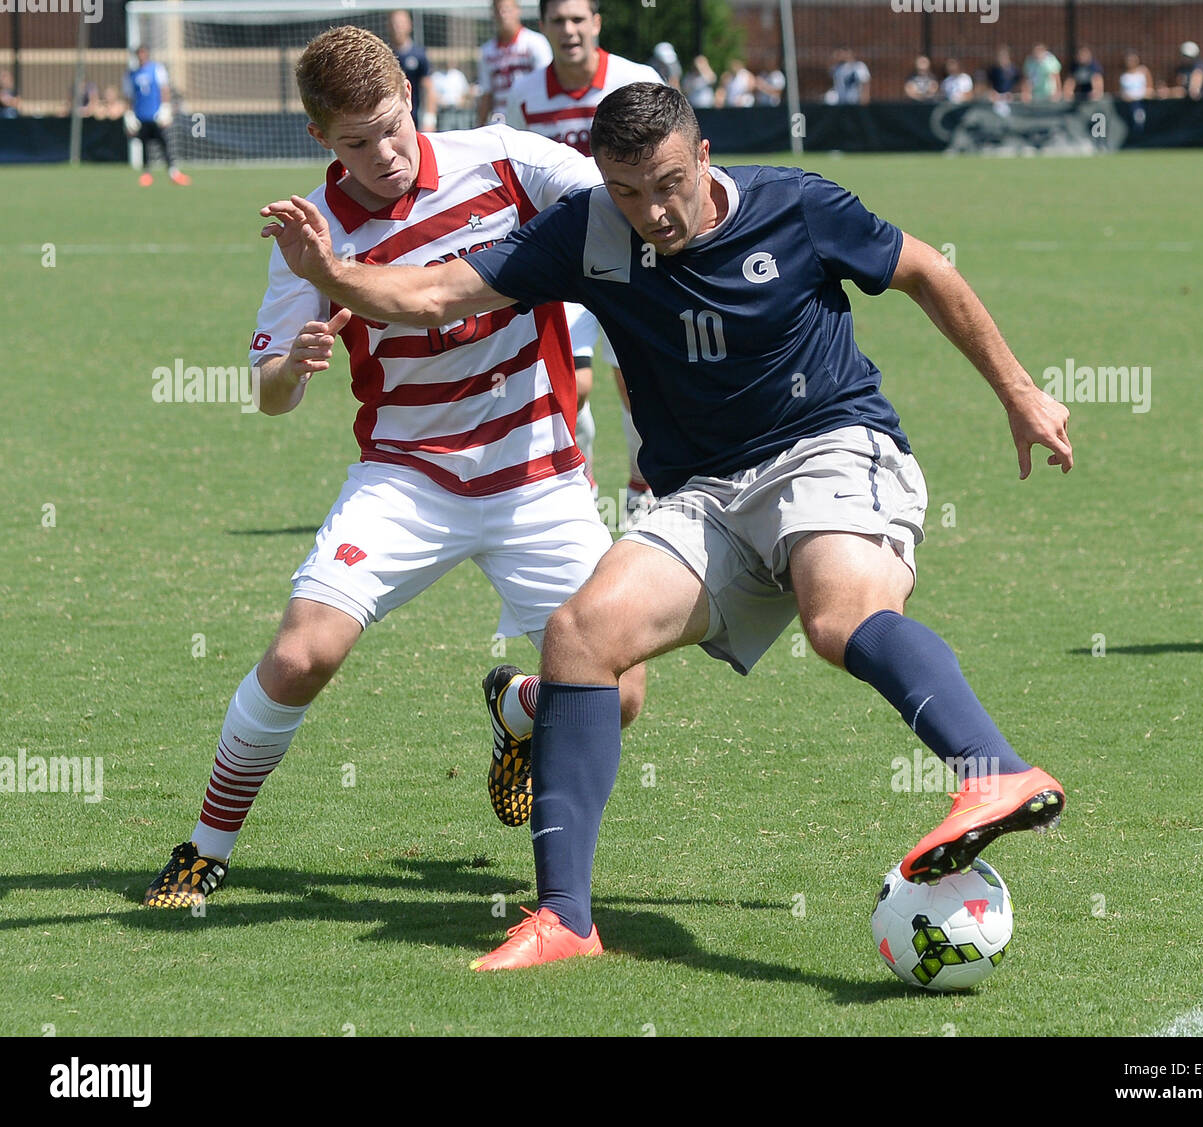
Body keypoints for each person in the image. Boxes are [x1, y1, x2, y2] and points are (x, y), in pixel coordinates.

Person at [262, 82, 1072, 970]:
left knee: (836, 619)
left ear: (704, 154)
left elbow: (926, 270)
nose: (652, 211)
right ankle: (566, 920)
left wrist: (1020, 392)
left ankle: (992, 768)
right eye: (628, 191)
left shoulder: (796, 205)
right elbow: (434, 296)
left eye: (669, 183)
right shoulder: (584, 232)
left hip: (829, 447)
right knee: (578, 637)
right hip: (703, 495)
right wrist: (329, 275)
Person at [141, 26, 646, 909]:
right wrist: (289, 368)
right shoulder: (313, 230)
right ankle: (206, 846)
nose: (382, 154)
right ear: (319, 140)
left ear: (412, 101)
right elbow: (267, 395)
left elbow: (622, 197)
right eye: (354, 141)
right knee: (302, 654)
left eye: (390, 126)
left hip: (540, 474)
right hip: (407, 477)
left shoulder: (502, 159)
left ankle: (521, 708)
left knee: (621, 694)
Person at [505, 0, 662, 521]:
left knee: (635, 383)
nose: (569, 30)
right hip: (565, 259)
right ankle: (582, 489)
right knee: (572, 385)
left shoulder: (635, 79)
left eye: (578, 19)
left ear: (596, 22)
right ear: (544, 27)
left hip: (636, 254)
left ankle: (643, 489)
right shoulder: (525, 95)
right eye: (557, 21)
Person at [476, 0, 551, 126]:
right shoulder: (486, 51)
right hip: (499, 122)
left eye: (507, 10)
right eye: (498, 10)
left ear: (518, 10)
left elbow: (546, 83)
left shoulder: (536, 43)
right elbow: (486, 94)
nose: (502, 15)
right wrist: (479, 126)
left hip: (530, 117)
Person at [123, 46, 189, 187]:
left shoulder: (156, 69)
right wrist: (129, 116)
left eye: (143, 53)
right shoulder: (131, 74)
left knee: (164, 144)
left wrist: (165, 109)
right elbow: (128, 97)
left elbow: (164, 89)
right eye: (139, 54)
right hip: (141, 116)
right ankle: (146, 175)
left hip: (156, 115)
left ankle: (173, 173)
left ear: (147, 54)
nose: (141, 56)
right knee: (144, 146)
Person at [388, 9, 435, 132]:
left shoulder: (419, 54)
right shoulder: (385, 55)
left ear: (409, 25)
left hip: (414, 118)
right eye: (394, 24)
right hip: (389, 120)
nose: (397, 27)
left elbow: (428, 88)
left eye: (400, 23)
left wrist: (429, 119)